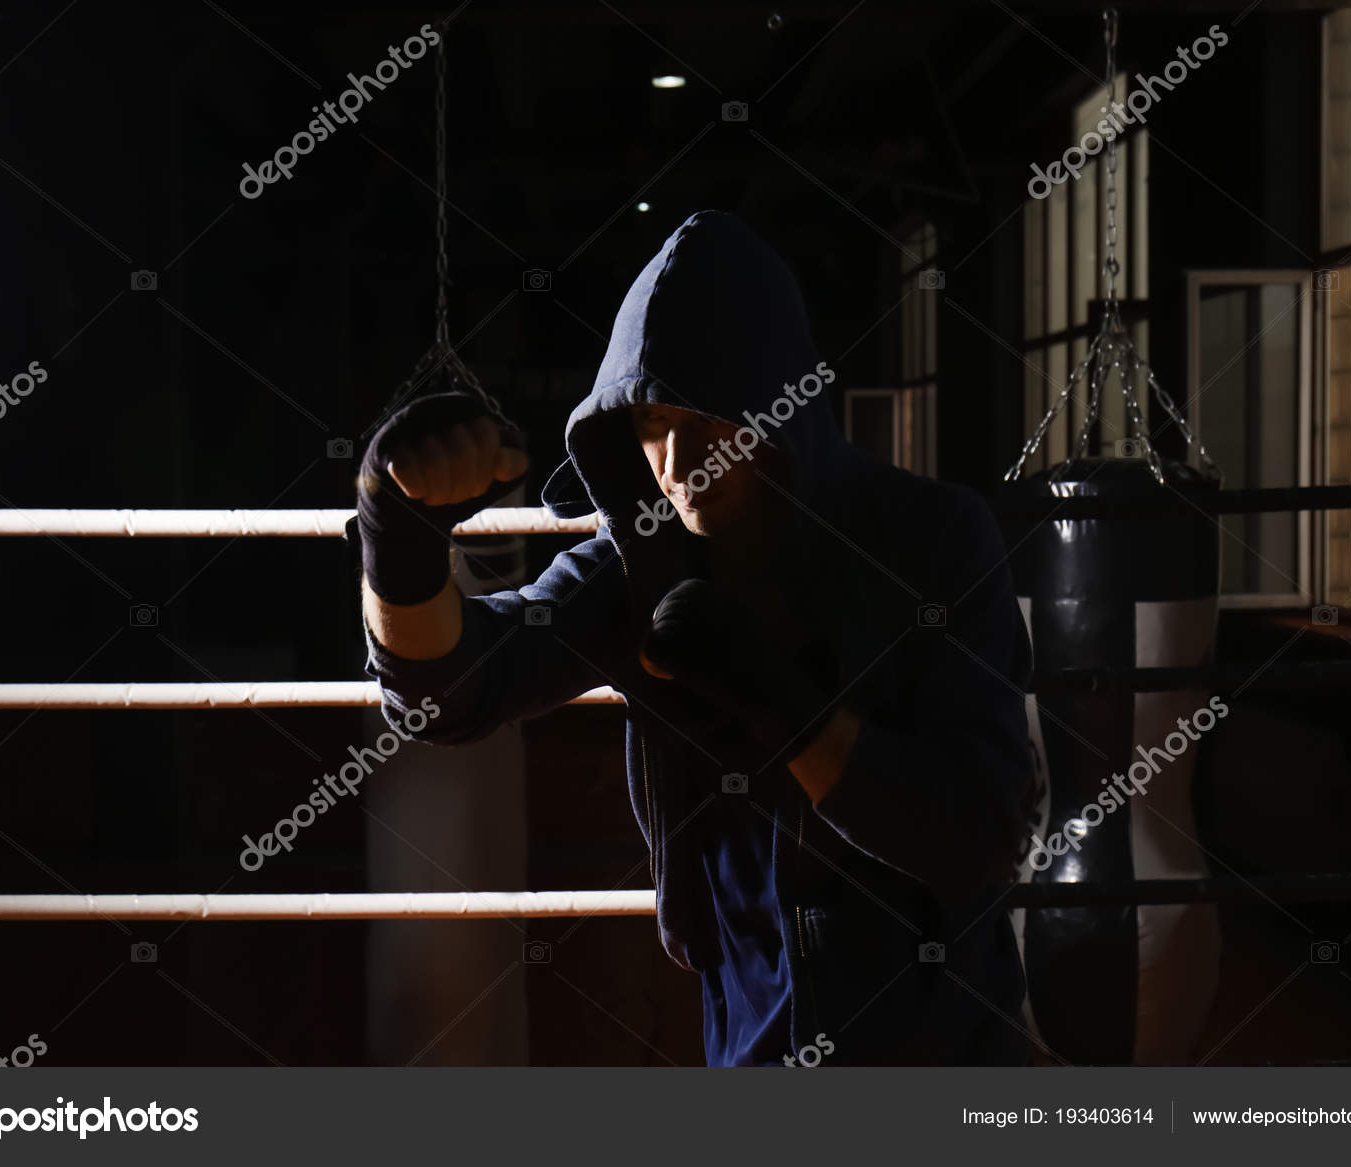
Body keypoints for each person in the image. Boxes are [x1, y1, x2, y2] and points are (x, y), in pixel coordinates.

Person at [351, 210, 1035, 1066]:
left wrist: (792, 714)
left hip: (940, 1039)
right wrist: (401, 546)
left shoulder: (928, 540)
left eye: (706, 421)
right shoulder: (639, 565)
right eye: (648, 424)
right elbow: (447, 691)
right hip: (750, 1027)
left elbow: (980, 834)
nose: (675, 463)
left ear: (777, 409)